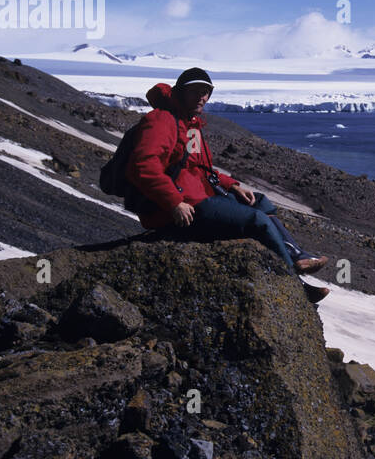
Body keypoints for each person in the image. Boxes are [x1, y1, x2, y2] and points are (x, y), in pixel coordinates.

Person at [125, 67, 331, 303]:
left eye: (206, 92)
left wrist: (232, 185)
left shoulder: (189, 123)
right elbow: (143, 166)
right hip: (178, 209)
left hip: (198, 197)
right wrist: (173, 202)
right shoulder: (162, 120)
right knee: (257, 221)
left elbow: (198, 168)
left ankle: (297, 257)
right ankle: (296, 287)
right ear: (180, 92)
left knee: (260, 201)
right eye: (196, 91)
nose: (202, 97)